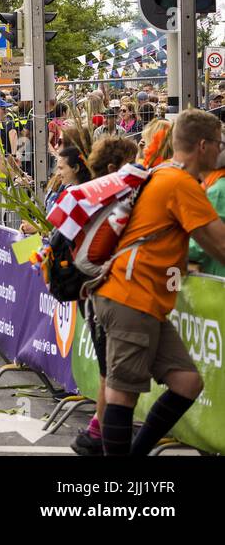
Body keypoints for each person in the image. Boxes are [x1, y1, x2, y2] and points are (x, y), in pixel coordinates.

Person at [91, 109, 225, 456]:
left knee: (187, 381)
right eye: (219, 143)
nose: (221, 150)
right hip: (132, 296)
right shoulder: (181, 183)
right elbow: (219, 244)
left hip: (142, 299)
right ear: (203, 145)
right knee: (122, 393)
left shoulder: (163, 173)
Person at [69, 135, 139, 457]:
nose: (137, 169)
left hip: (90, 288)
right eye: (130, 163)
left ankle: (97, 431)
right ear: (112, 168)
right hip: (98, 288)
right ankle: (98, 435)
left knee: (108, 368)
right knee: (107, 370)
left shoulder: (90, 196)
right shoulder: (105, 200)